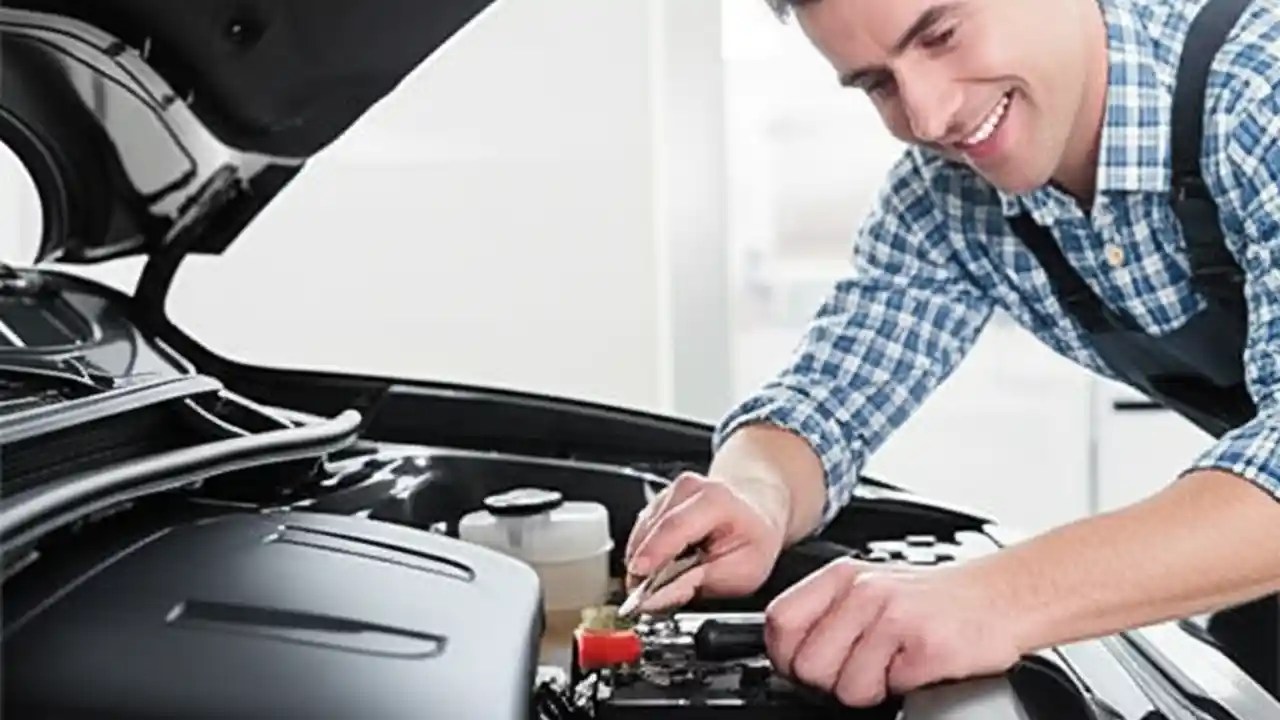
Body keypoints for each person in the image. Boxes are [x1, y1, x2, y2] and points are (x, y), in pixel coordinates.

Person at [623, 0, 1280, 708]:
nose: (930, 119)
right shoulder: (947, 199)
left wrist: (997, 597)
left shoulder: (1259, 95)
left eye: (940, 35)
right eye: (878, 83)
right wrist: (757, 493)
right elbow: (828, 396)